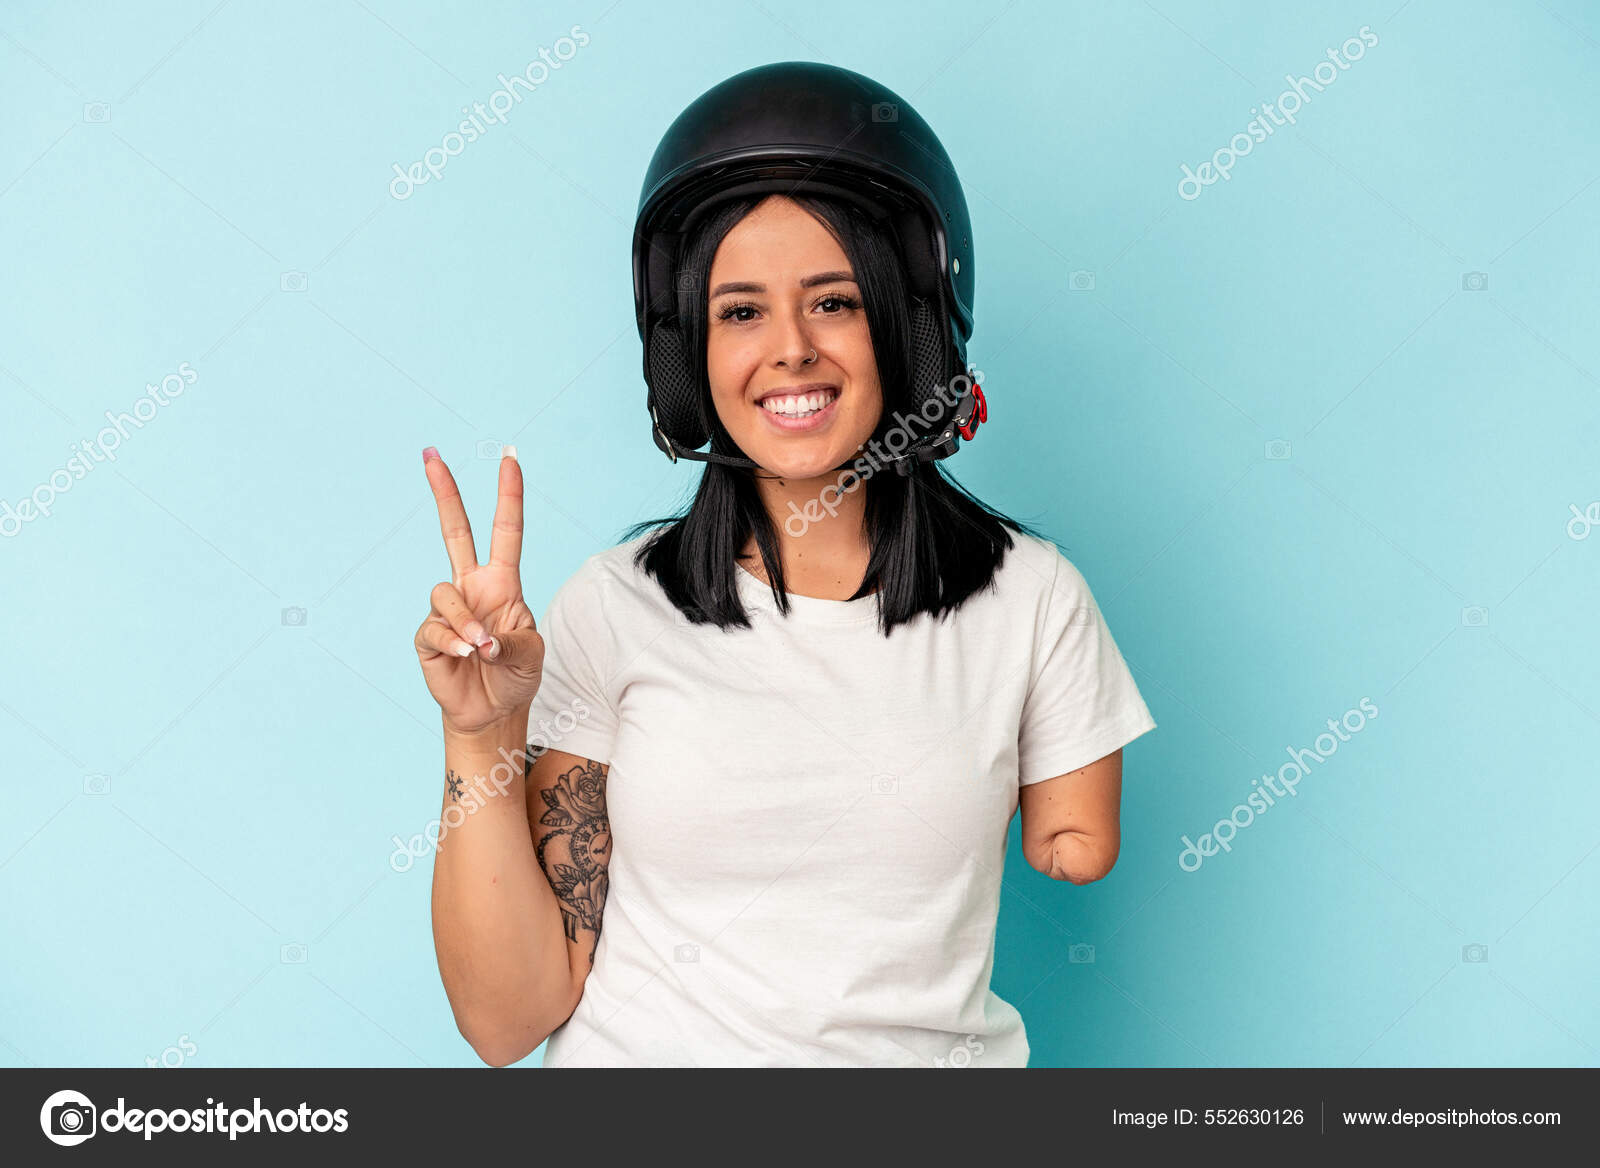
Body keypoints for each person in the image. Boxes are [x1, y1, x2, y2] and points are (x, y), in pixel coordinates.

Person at [414, 62, 1156, 1068]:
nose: (792, 350)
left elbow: (1075, 844)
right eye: (740, 312)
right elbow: (505, 1022)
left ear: (913, 323)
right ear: (687, 354)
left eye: (835, 301)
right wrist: (477, 736)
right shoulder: (610, 607)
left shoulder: (1031, 599)